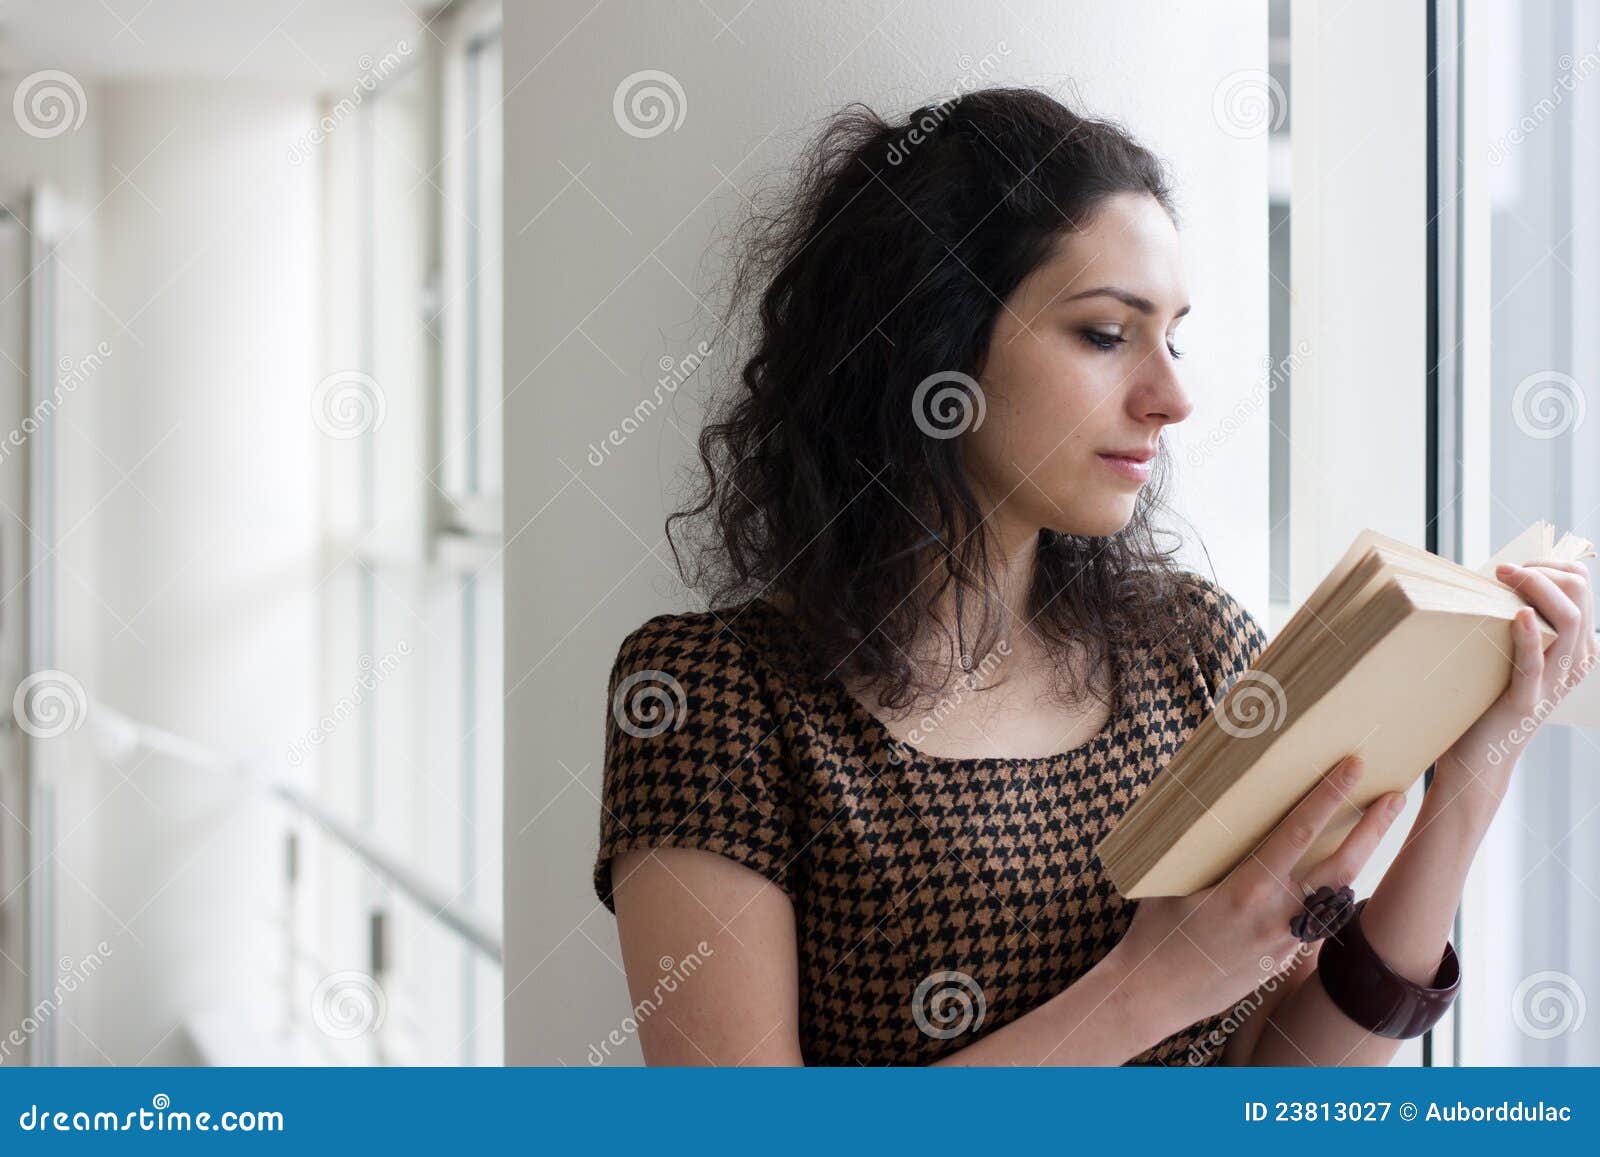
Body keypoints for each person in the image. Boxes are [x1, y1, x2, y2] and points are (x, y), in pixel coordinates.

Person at [590, 87, 1595, 1065]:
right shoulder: (714, 698)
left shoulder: (1196, 648)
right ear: (926, 342)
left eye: (1174, 335)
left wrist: (1470, 775)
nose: (1172, 396)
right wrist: (1149, 985)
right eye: (1106, 335)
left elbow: (1281, 1083)